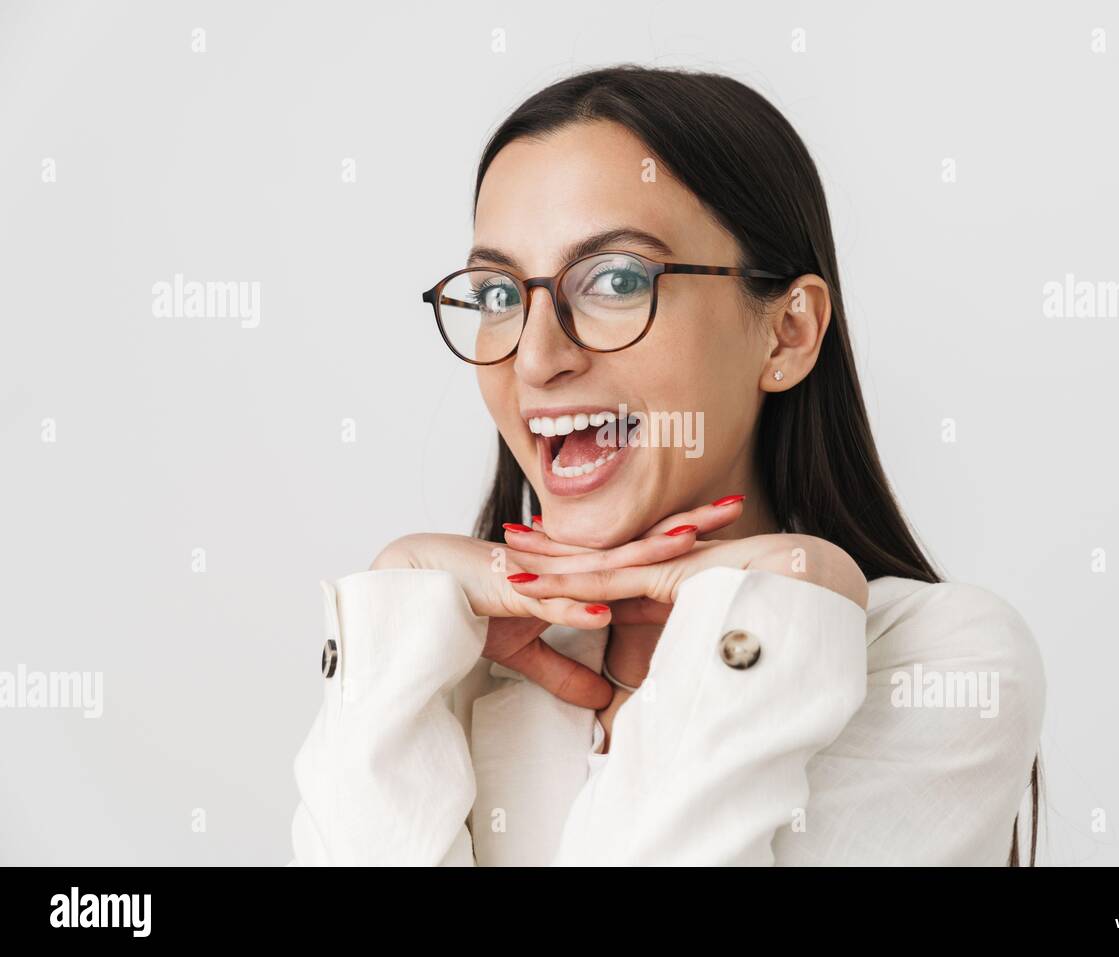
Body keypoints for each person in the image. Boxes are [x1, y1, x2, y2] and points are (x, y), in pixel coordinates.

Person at [288, 65, 1045, 866]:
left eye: (616, 279)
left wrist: (776, 608)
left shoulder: (940, 660)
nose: (537, 358)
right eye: (501, 295)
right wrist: (398, 603)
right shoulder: (447, 663)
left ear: (788, 332)